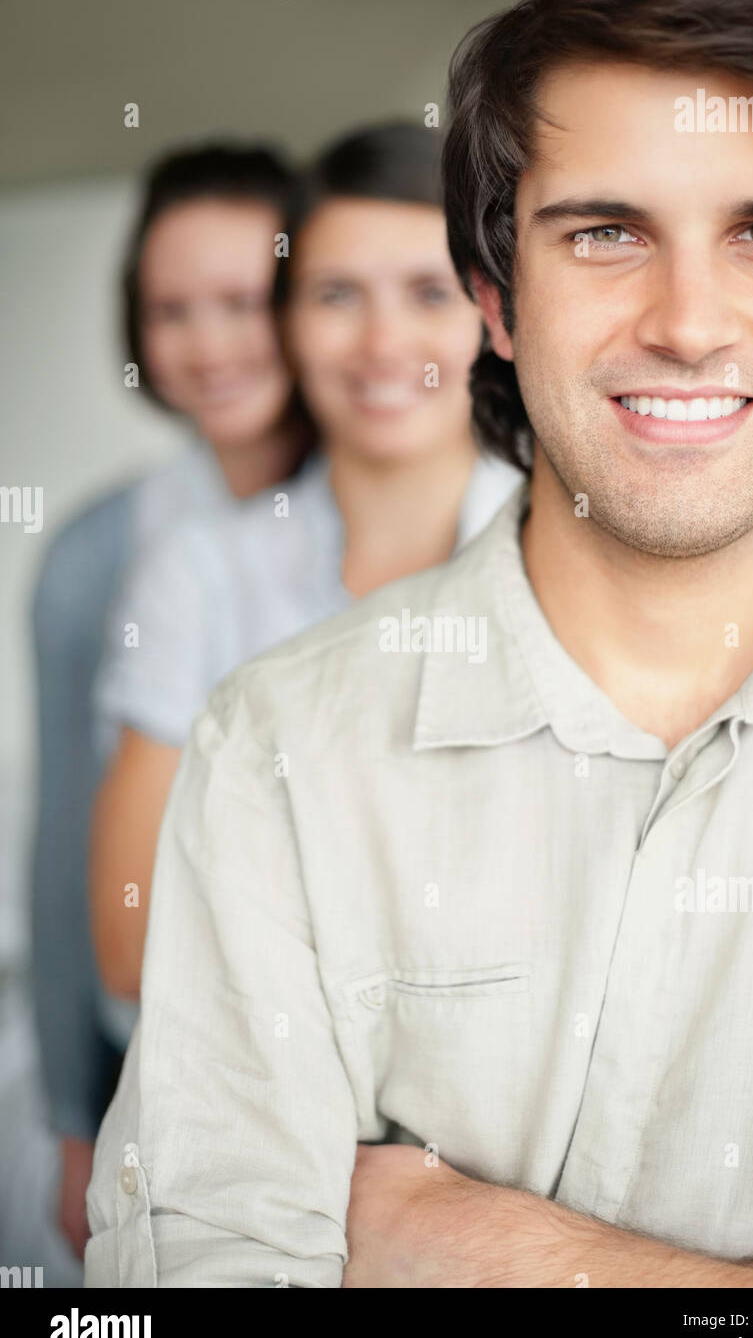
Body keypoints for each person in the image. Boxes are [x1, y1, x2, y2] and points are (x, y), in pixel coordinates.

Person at [85, 0, 753, 1288]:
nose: (686, 319)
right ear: (495, 301)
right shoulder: (279, 745)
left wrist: (474, 1244)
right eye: (606, 230)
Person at [87, 122, 523, 1005]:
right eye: (335, 295)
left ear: (492, 314)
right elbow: (132, 946)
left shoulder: (575, 546)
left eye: (426, 294)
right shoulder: (197, 572)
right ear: (283, 321)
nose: (381, 342)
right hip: (264, 1116)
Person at [30, 139, 304, 1261]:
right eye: (171, 308)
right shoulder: (103, 554)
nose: (208, 343)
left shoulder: (414, 511)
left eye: (245, 302)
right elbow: (63, 845)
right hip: (164, 1064)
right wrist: (70, 1116)